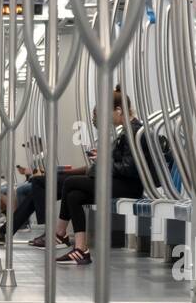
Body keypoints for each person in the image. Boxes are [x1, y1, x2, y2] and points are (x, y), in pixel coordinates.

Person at [51, 90, 144, 265]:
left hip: (129, 186)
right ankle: (81, 249)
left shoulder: (132, 132)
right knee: (74, 196)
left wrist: (103, 160)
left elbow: (129, 169)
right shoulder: (125, 131)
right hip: (120, 182)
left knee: (70, 183)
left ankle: (59, 234)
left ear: (118, 110)